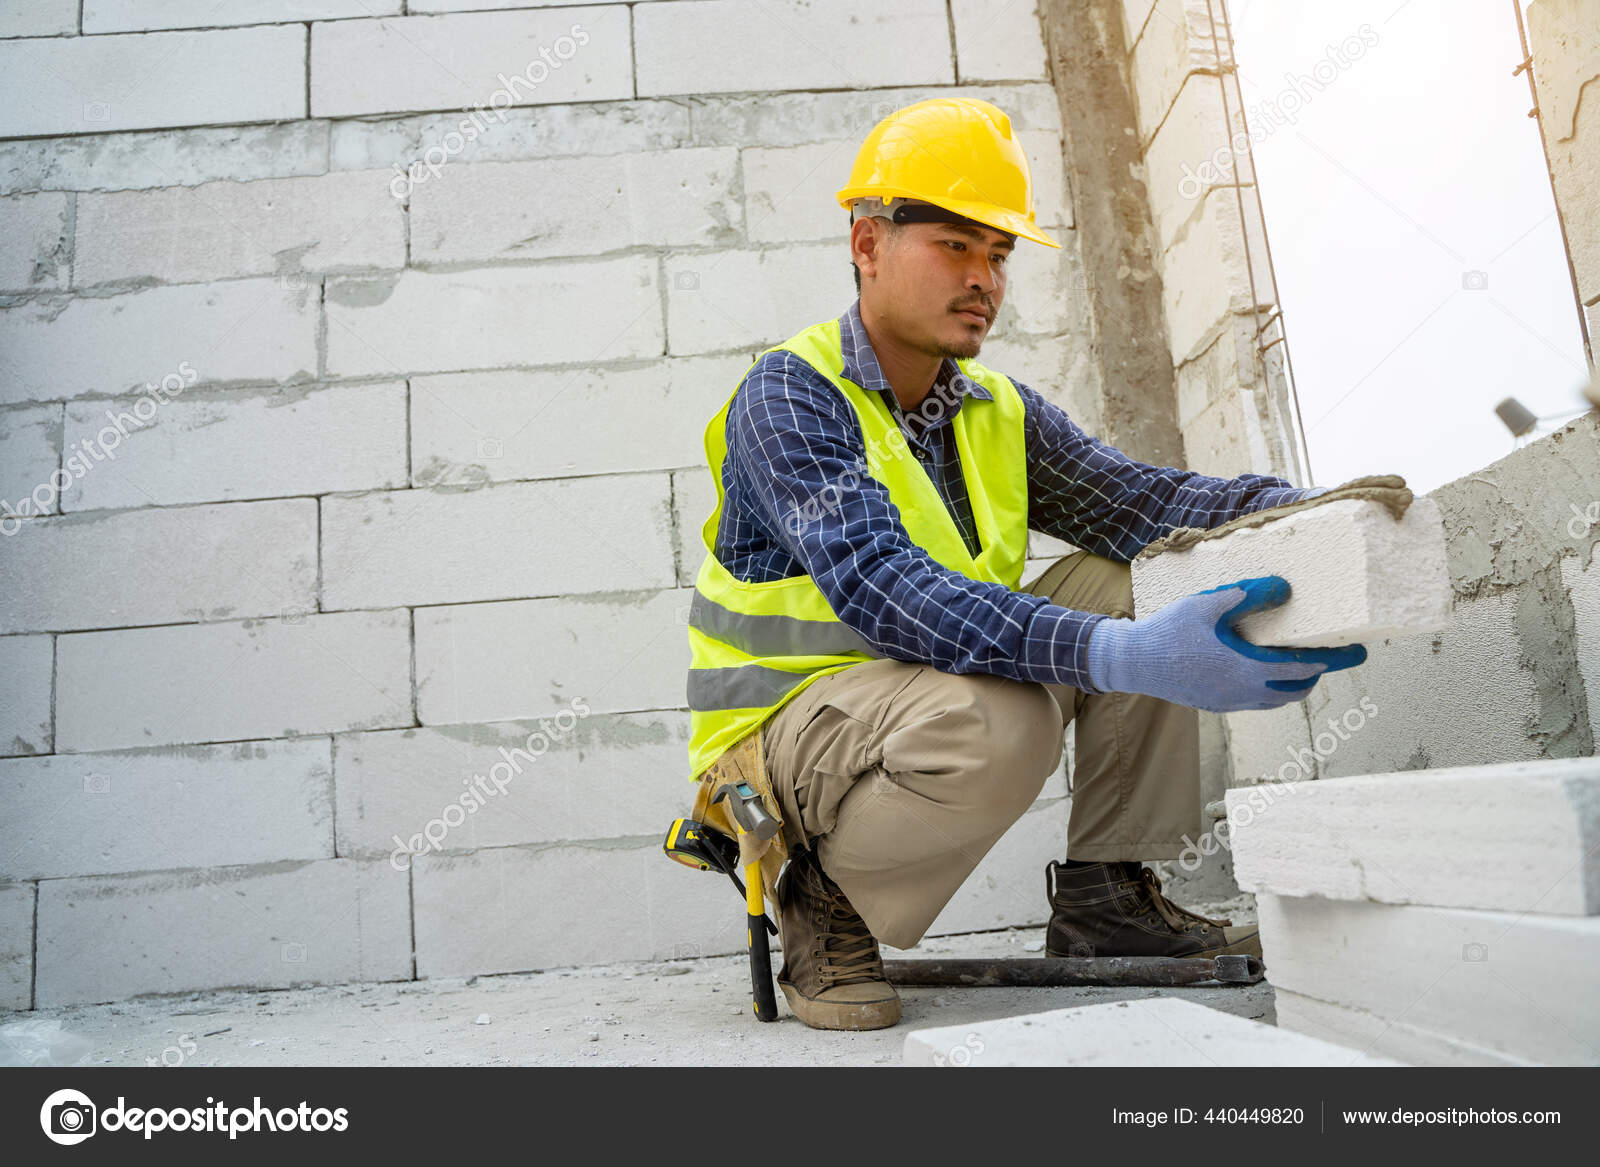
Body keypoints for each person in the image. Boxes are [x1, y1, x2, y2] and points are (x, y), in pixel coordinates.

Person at [683, 97, 1377, 1031]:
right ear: (868, 244)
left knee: (1150, 575)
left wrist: (1305, 506)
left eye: (999, 255)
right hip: (787, 750)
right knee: (997, 712)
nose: (985, 279)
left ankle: (1104, 898)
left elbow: (1148, 507)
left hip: (913, 701)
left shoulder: (994, 411)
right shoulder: (789, 396)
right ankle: (817, 891)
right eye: (958, 246)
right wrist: (1121, 655)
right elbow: (881, 586)